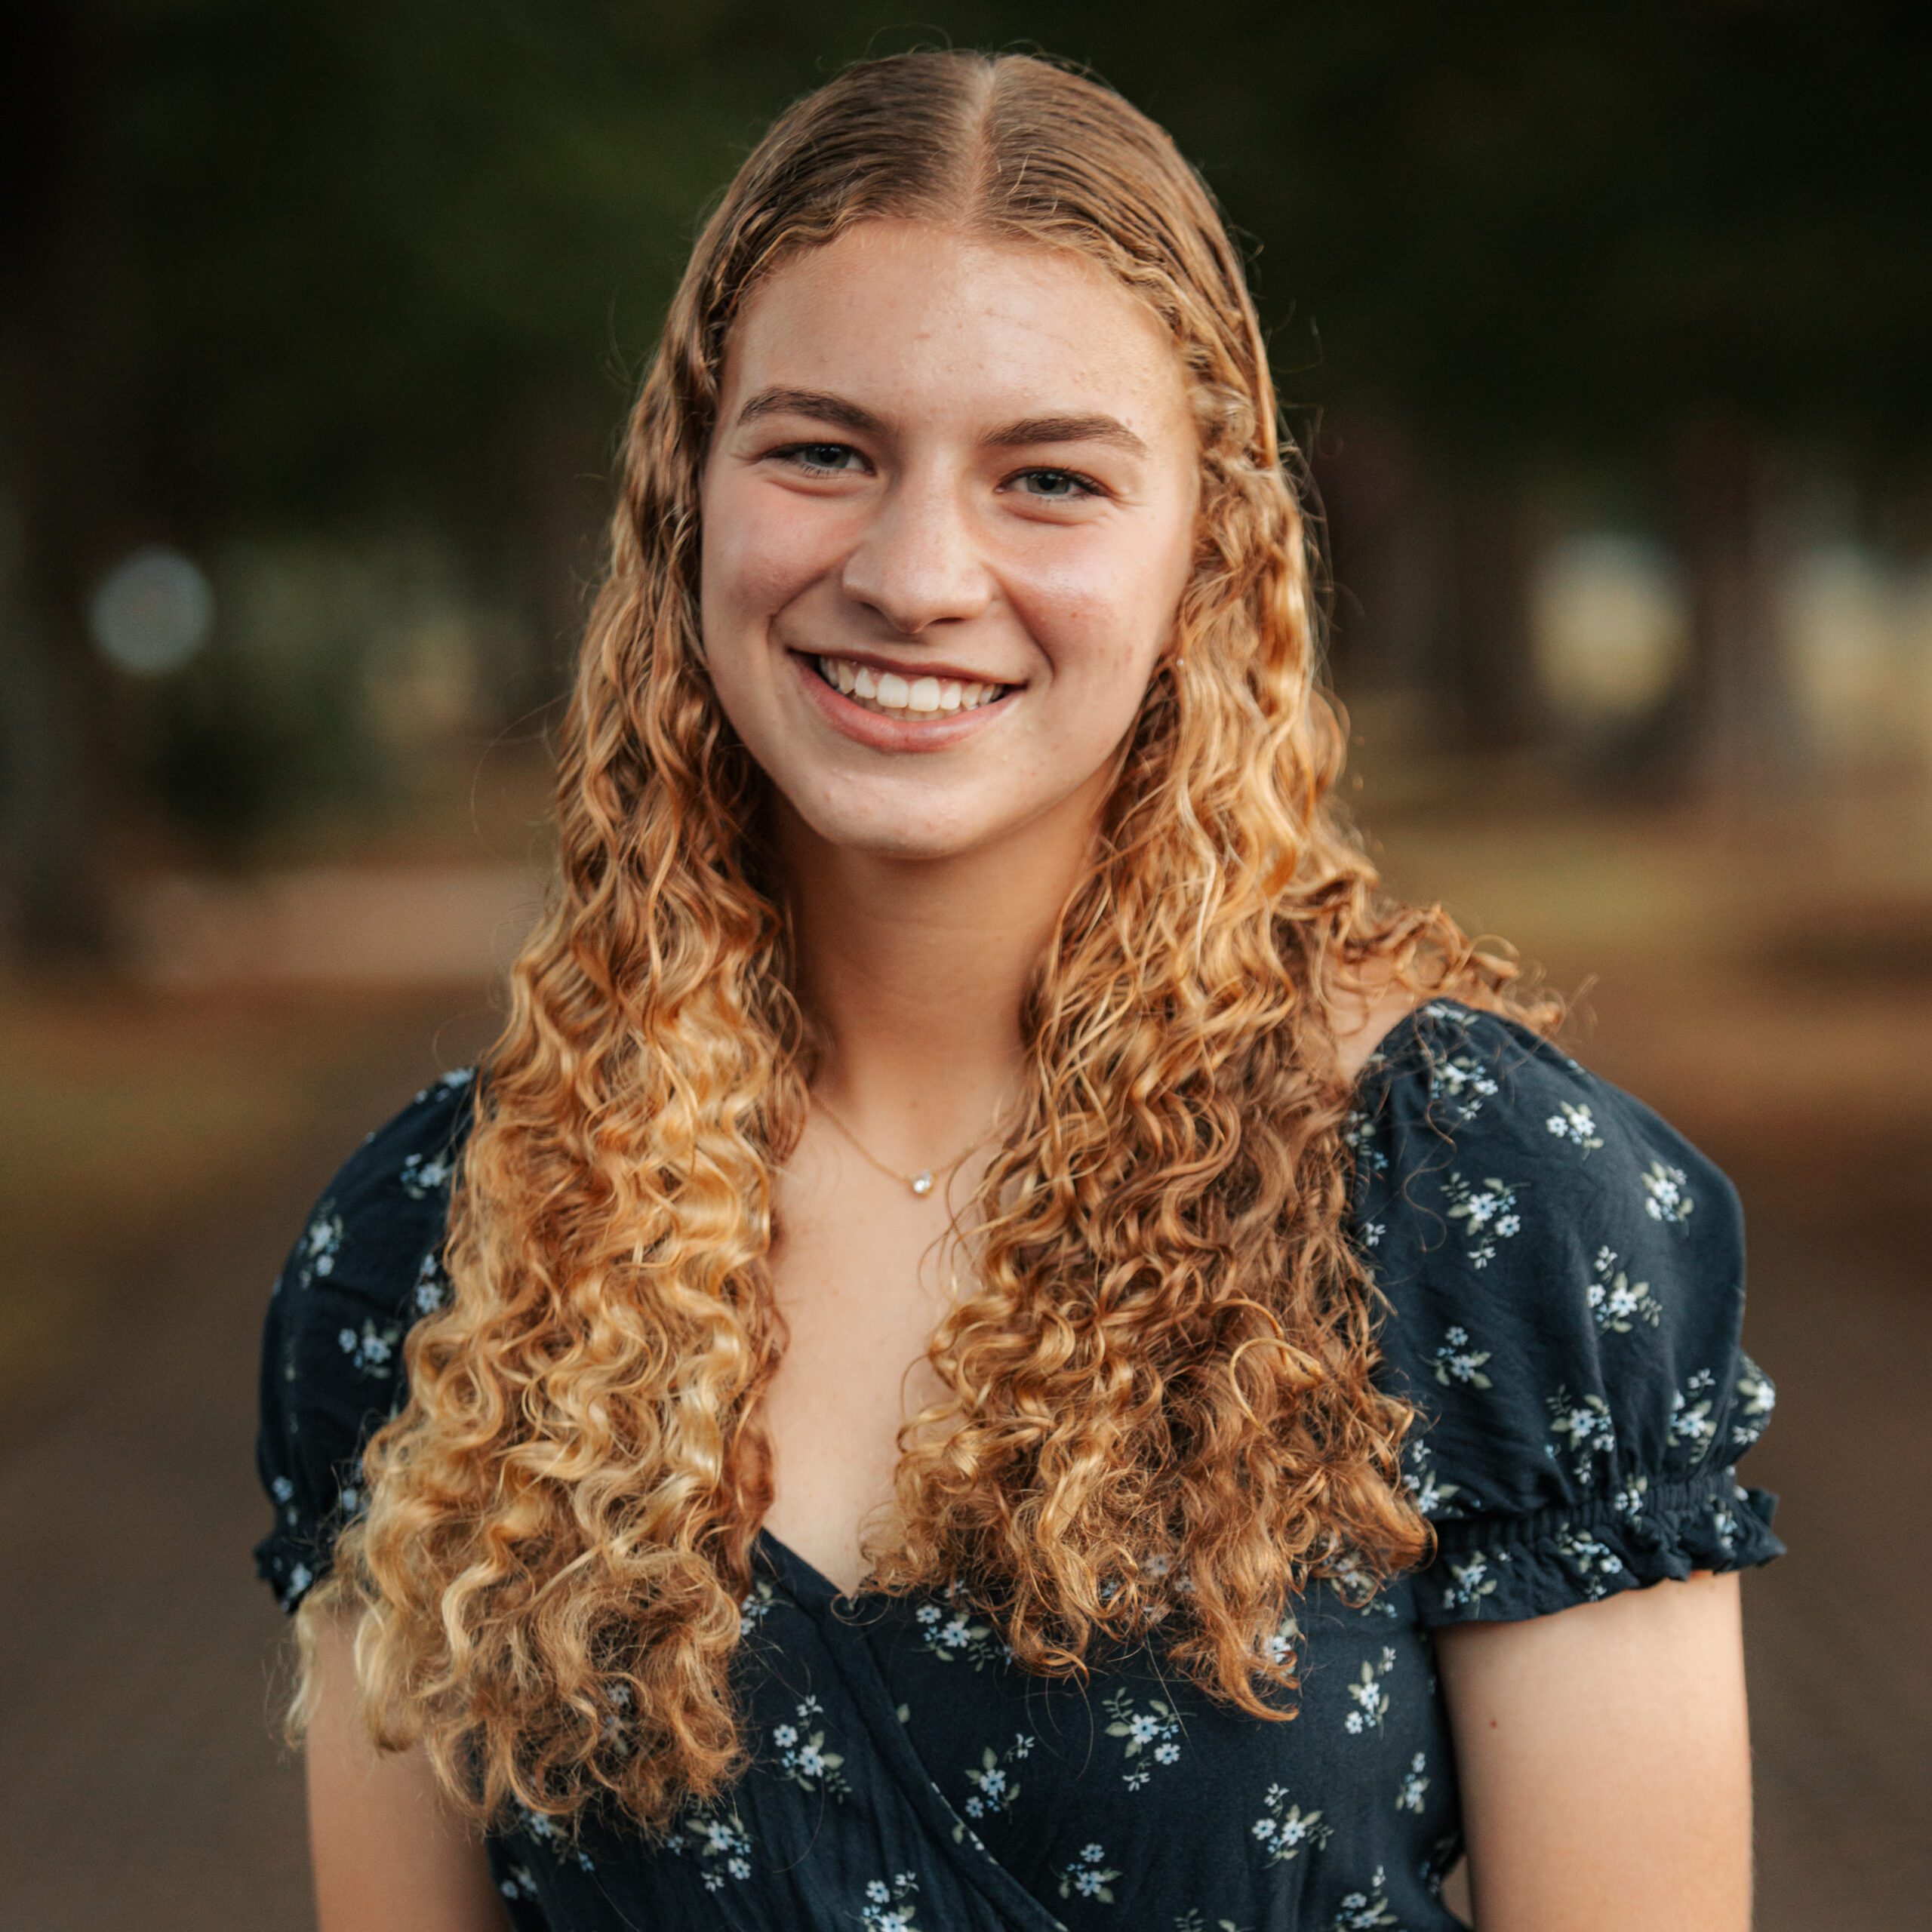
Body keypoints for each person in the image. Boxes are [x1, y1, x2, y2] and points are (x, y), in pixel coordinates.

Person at [253, 48, 1783, 1932]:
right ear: (688, 494)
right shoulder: (432, 1250)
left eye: (1046, 477)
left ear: (1206, 553)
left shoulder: (1480, 1202)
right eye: (821, 450)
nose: (913, 574)